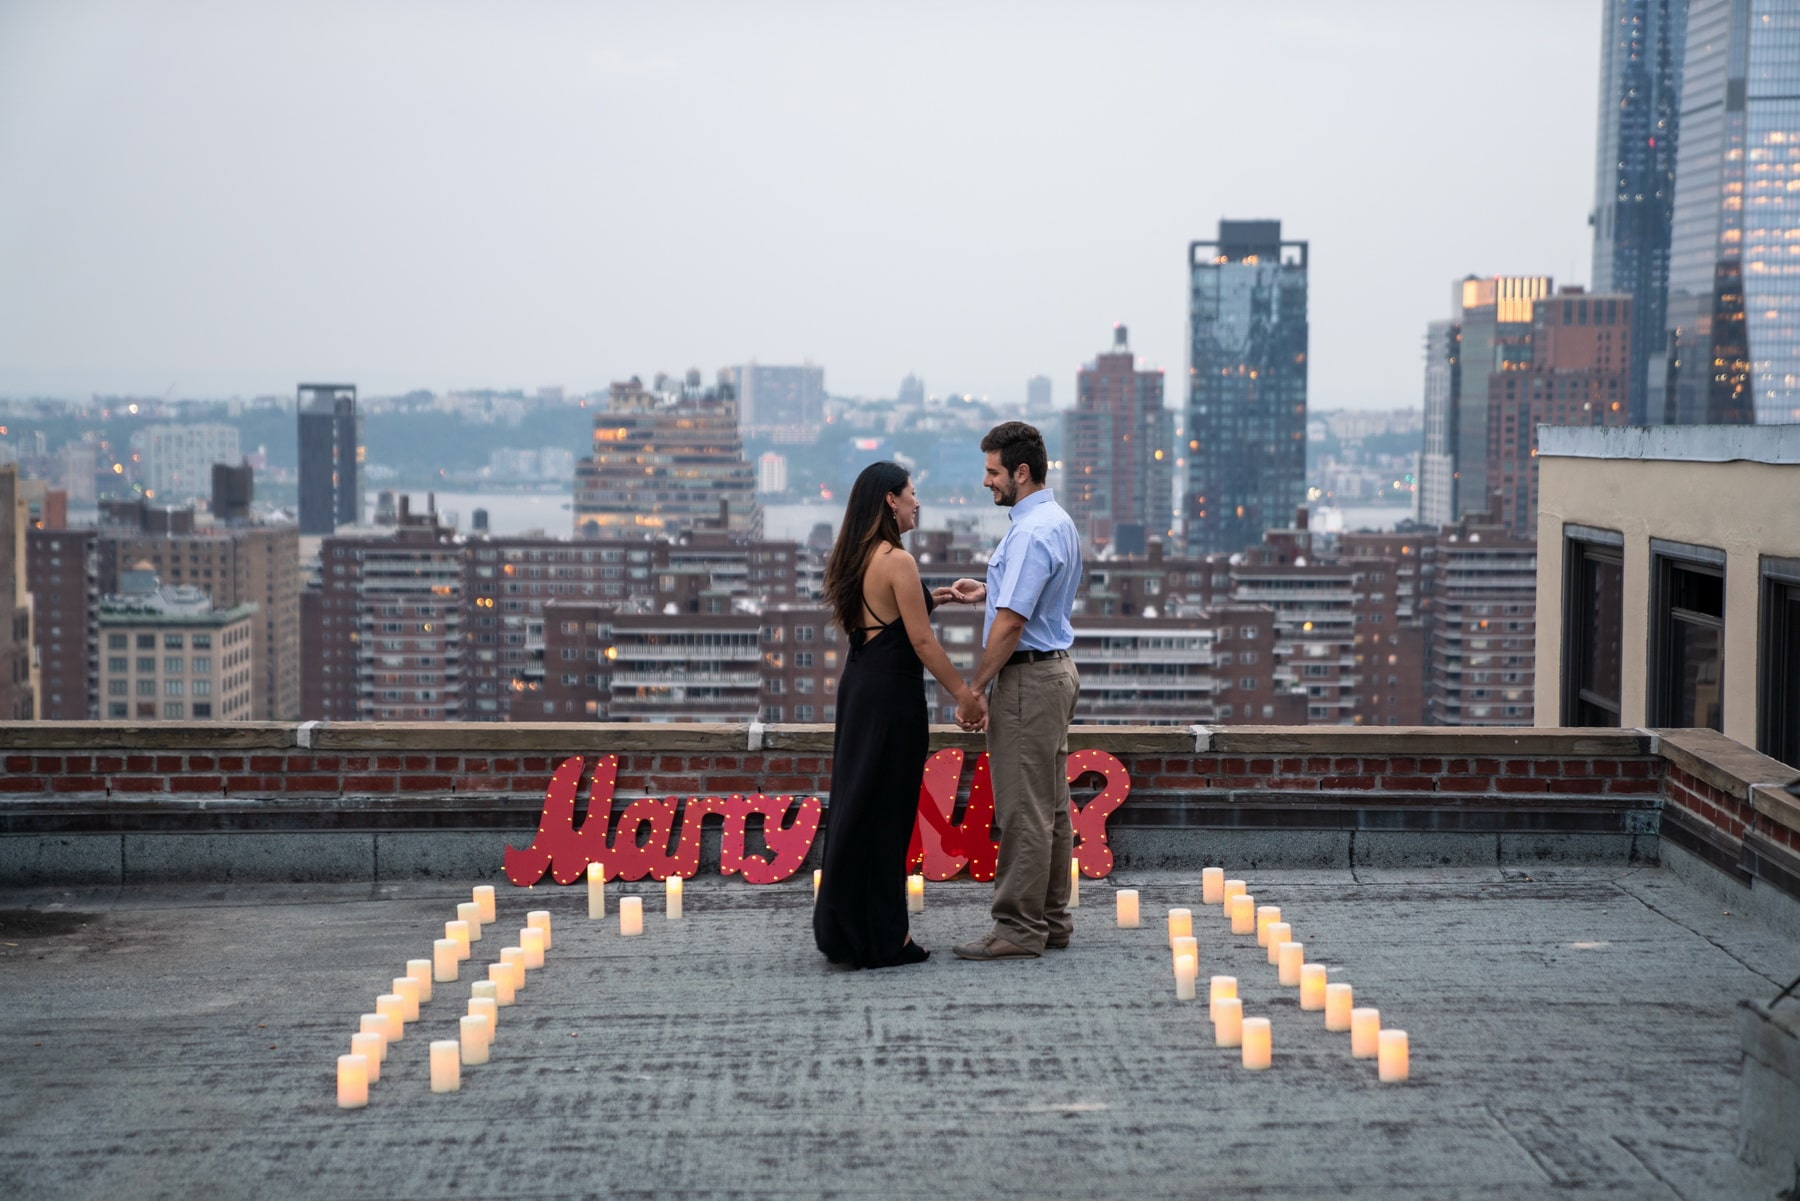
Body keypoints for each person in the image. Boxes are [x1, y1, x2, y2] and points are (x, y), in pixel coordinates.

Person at [813, 461, 986, 969]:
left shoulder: (859, 555)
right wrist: (965, 695)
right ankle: (885, 940)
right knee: (888, 816)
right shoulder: (899, 560)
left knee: (858, 805)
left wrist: (935, 597)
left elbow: (881, 620)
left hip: (861, 690)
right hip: (892, 700)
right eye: (911, 493)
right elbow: (919, 641)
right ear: (890, 499)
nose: (917, 501)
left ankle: (850, 931)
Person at [939, 422, 1081, 962]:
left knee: (1022, 809)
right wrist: (988, 588)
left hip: (1027, 680)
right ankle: (1050, 919)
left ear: (1022, 473)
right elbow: (1027, 598)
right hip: (1055, 672)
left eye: (993, 472)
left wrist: (974, 688)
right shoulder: (1055, 521)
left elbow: (1013, 624)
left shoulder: (1029, 532)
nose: (986, 482)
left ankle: (1018, 929)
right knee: (1052, 806)